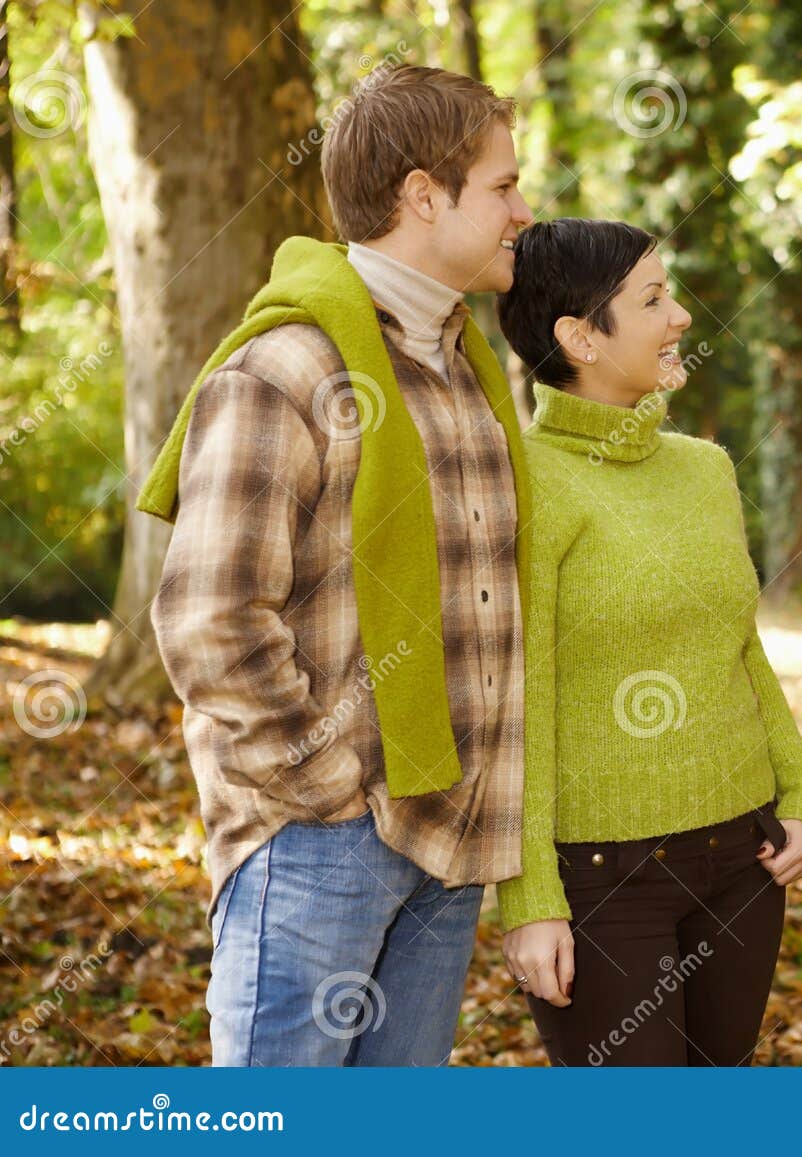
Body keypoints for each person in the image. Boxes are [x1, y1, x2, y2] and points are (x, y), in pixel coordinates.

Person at [141, 65, 536, 1065]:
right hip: (323, 841)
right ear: (421, 195)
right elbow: (209, 618)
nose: (522, 213)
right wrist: (328, 793)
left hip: (450, 837)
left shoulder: (465, 371)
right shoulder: (290, 370)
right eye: (501, 187)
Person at [494, 218, 802, 1066]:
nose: (681, 316)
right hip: (604, 880)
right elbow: (515, 697)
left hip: (743, 860)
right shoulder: (523, 479)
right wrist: (528, 895)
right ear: (580, 337)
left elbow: (740, 645)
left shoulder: (704, 468)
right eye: (652, 299)